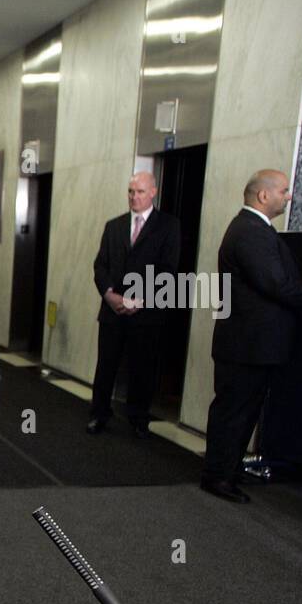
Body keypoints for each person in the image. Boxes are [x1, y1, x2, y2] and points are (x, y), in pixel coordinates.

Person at [201, 170, 302, 504]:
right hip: (247, 344)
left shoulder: (255, 229)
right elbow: (274, 284)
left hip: (252, 344)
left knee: (243, 410)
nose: (288, 196)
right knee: (234, 410)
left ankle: (227, 469)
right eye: (284, 191)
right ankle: (218, 476)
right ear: (263, 196)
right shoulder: (250, 232)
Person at [88, 171, 181, 438]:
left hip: (147, 313)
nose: (134, 197)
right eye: (130, 192)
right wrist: (110, 295)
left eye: (139, 192)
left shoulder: (168, 226)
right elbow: (100, 265)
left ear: (153, 192)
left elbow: (168, 270)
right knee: (106, 365)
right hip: (112, 311)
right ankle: (99, 414)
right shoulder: (114, 226)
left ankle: (138, 418)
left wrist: (140, 300)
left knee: (143, 367)